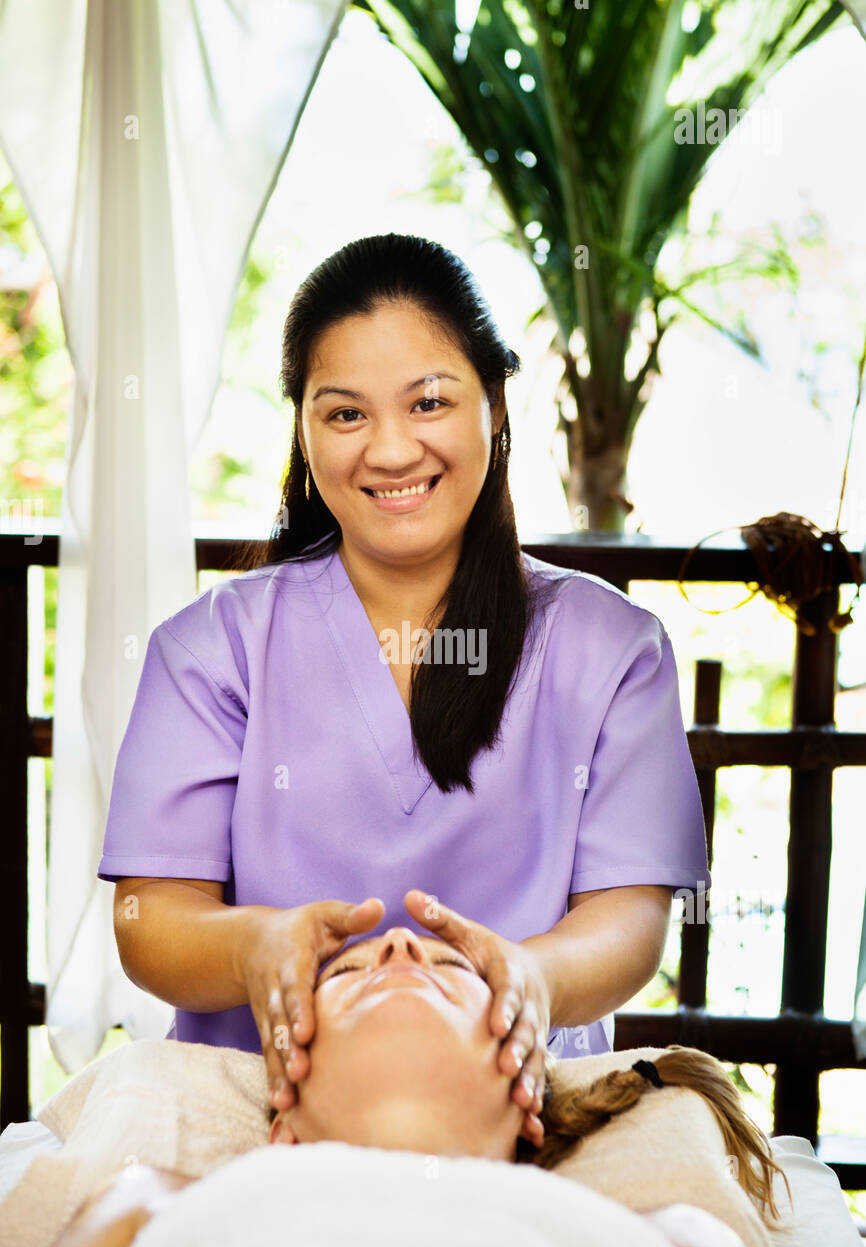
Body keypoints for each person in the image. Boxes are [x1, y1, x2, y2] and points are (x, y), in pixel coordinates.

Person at [97, 232, 711, 1124]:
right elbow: (148, 917)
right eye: (344, 414)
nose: (390, 451)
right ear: (304, 431)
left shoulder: (612, 649)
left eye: (428, 402)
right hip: (254, 1112)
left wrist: (533, 978)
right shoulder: (212, 648)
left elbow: (631, 918)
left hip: (517, 1116)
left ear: (492, 407)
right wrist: (255, 947)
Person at [27, 928, 784, 1247]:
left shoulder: (679, 1238)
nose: (394, 944)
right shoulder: (146, 1201)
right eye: (346, 971)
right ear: (281, 1123)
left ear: (526, 1099)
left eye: (454, 967)